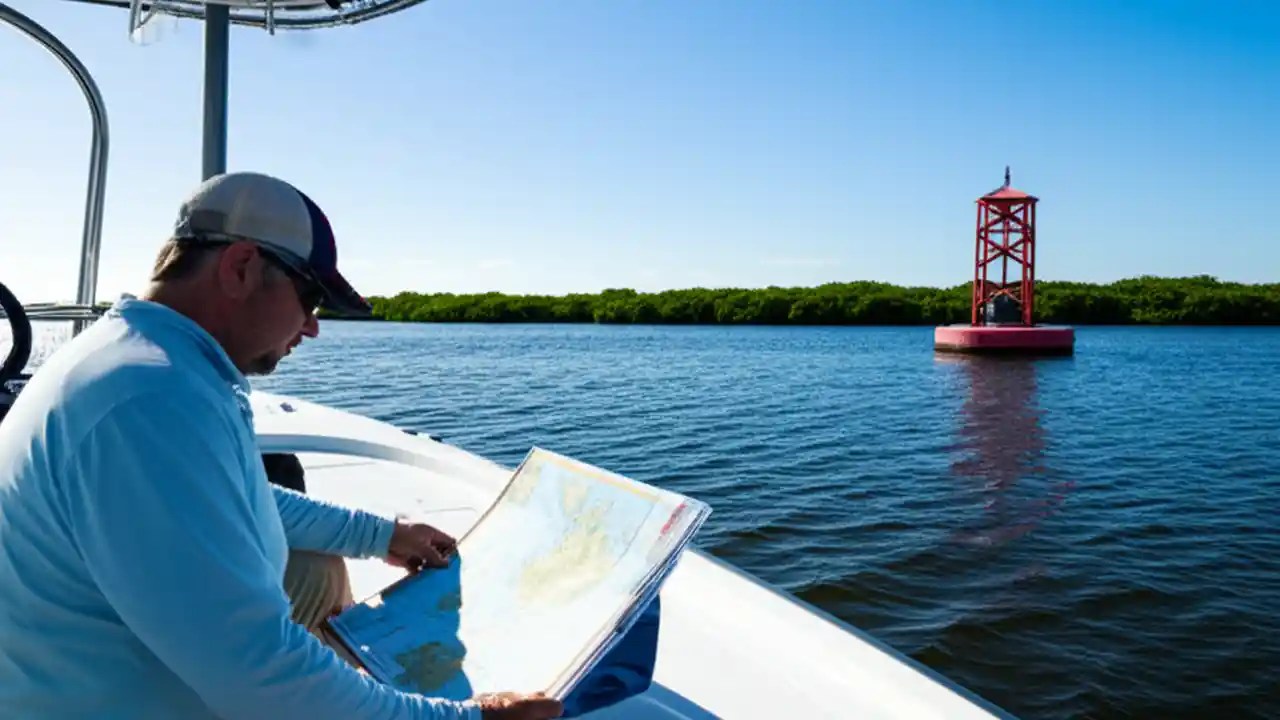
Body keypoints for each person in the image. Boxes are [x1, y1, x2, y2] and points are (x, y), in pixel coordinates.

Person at [0, 172, 562, 720]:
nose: (313, 327)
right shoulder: (152, 398)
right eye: (311, 296)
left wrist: (382, 535)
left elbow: (241, 495)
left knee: (317, 571)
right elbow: (255, 673)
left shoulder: (144, 358)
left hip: (94, 659)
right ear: (242, 267)